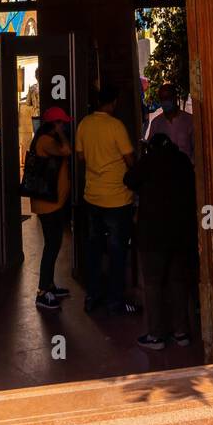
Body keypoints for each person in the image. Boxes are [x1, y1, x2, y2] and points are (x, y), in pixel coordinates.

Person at [124, 133, 197, 350]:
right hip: (181, 233)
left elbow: (129, 180)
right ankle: (182, 332)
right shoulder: (182, 161)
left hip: (153, 234)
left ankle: (156, 335)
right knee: (178, 282)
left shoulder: (149, 161)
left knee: (153, 284)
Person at [75, 84, 139, 316]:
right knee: (117, 251)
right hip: (117, 199)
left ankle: (92, 296)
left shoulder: (84, 124)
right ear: (113, 102)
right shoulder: (116, 126)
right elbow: (130, 161)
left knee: (94, 250)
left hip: (92, 196)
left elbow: (81, 156)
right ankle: (115, 300)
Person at [30, 105, 72, 311]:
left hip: (53, 203)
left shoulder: (46, 140)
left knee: (54, 244)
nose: (63, 126)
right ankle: (42, 292)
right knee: (52, 245)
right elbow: (67, 150)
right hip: (48, 204)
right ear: (53, 124)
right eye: (60, 123)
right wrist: (61, 134)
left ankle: (50, 285)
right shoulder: (46, 141)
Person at [144, 81, 194, 160]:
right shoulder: (156, 123)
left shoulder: (189, 120)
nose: (165, 101)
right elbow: (151, 148)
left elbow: (196, 149)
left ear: (175, 97)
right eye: (162, 99)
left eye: (168, 98)